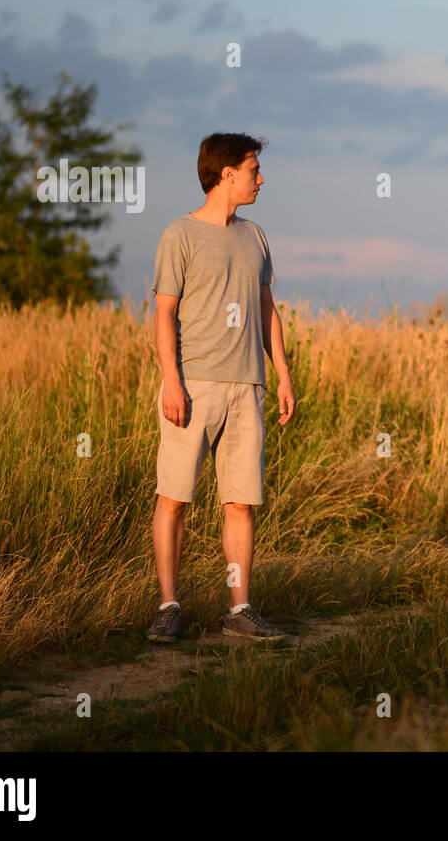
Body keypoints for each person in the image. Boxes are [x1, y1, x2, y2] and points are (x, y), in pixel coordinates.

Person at [144, 132, 296, 643]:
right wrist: (172, 381)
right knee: (175, 496)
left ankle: (240, 610)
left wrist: (282, 374)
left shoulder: (256, 236)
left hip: (247, 385)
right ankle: (168, 607)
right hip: (193, 384)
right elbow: (163, 313)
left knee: (240, 501)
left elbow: (266, 308)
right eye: (254, 168)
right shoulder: (179, 235)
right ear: (227, 173)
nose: (261, 178)